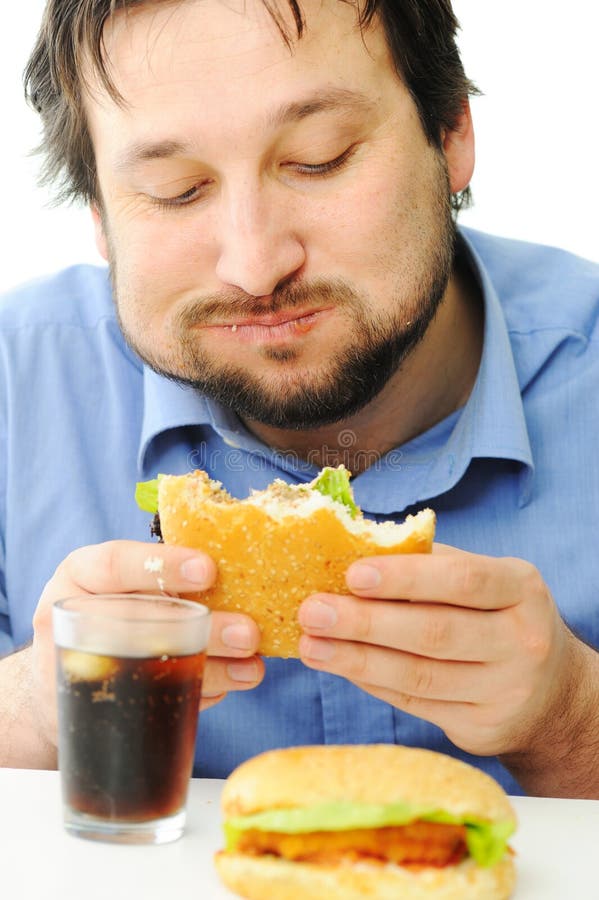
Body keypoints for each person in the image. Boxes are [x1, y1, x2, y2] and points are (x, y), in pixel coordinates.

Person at [0, 0, 597, 798]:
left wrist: (569, 717)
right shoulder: (18, 378)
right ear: (101, 217)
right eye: (175, 191)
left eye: (318, 159)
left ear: (451, 134)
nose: (254, 264)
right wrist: (39, 706)